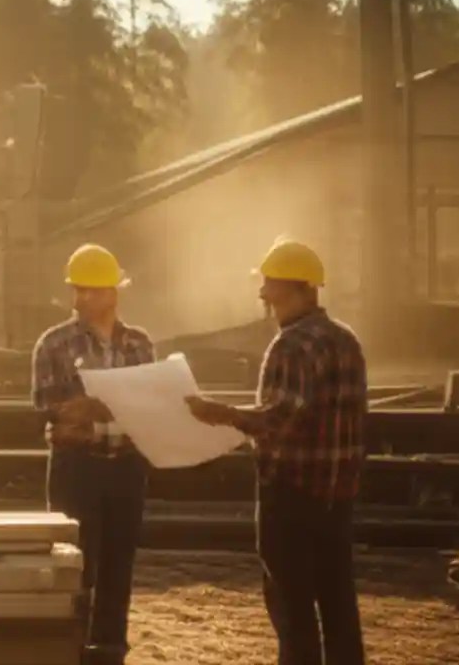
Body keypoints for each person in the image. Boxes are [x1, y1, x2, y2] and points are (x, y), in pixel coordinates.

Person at [185, 239, 366, 665]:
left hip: (291, 496)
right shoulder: (347, 341)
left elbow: (280, 420)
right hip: (337, 498)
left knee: (292, 610)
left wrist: (218, 413)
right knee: (339, 605)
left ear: (300, 289)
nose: (263, 295)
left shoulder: (291, 345)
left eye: (271, 285)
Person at [32, 243, 153, 665]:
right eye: (77, 290)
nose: (81, 298)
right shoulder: (53, 343)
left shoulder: (140, 344)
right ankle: (70, 651)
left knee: (119, 567)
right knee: (76, 566)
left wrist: (90, 406)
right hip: (76, 469)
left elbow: (149, 404)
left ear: (112, 294)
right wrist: (104, 404)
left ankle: (110, 651)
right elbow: (50, 406)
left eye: (91, 290)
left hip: (125, 467)